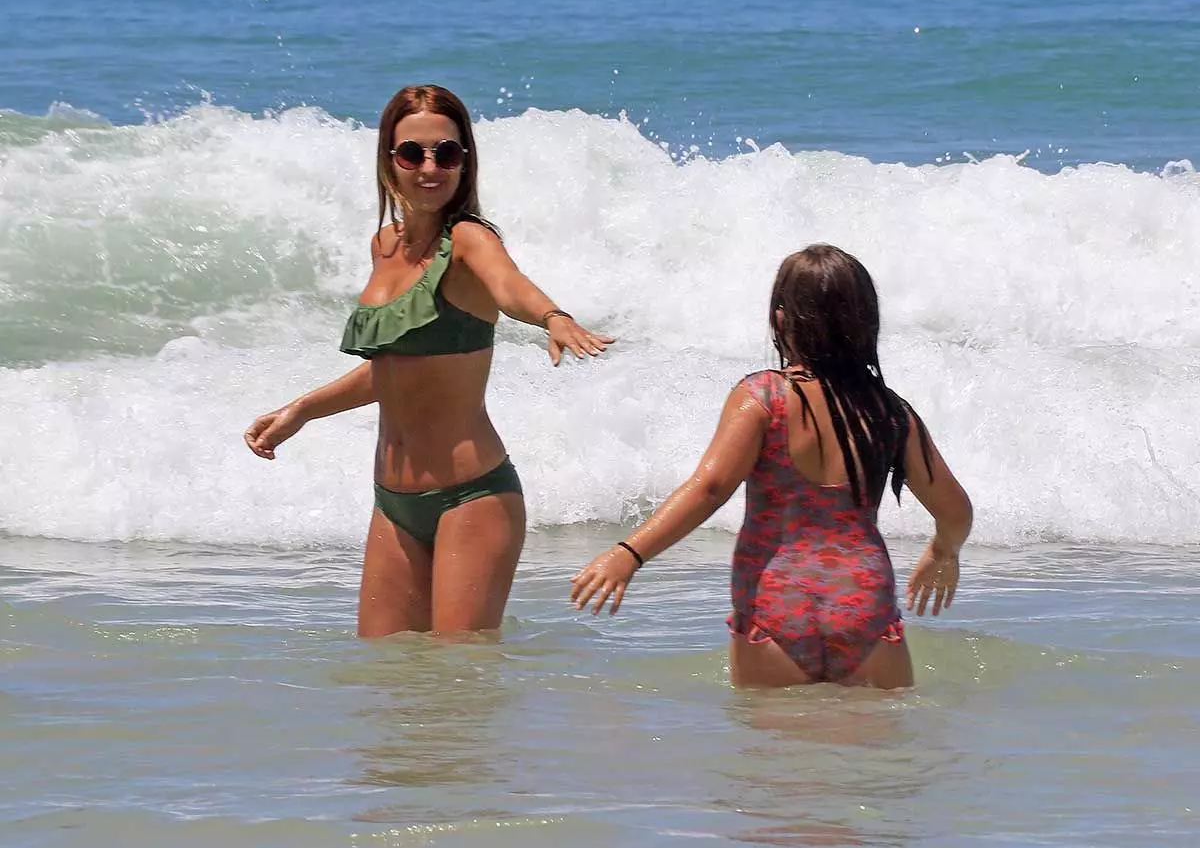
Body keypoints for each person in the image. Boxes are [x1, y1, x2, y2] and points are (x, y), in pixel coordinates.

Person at [245, 84, 613, 638]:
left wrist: (551, 316)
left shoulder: (468, 240)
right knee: (389, 677)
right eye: (412, 153)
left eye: (448, 152)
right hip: (392, 503)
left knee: (458, 682)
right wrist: (303, 410)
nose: (430, 166)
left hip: (472, 495)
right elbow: (396, 369)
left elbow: (510, 286)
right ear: (389, 162)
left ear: (466, 161)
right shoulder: (384, 247)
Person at [570, 244, 972, 689]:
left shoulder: (764, 398)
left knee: (775, 756)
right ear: (865, 320)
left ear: (782, 318)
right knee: (872, 758)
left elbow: (709, 489)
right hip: (863, 603)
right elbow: (955, 511)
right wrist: (942, 552)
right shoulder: (891, 414)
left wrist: (630, 553)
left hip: (777, 602)